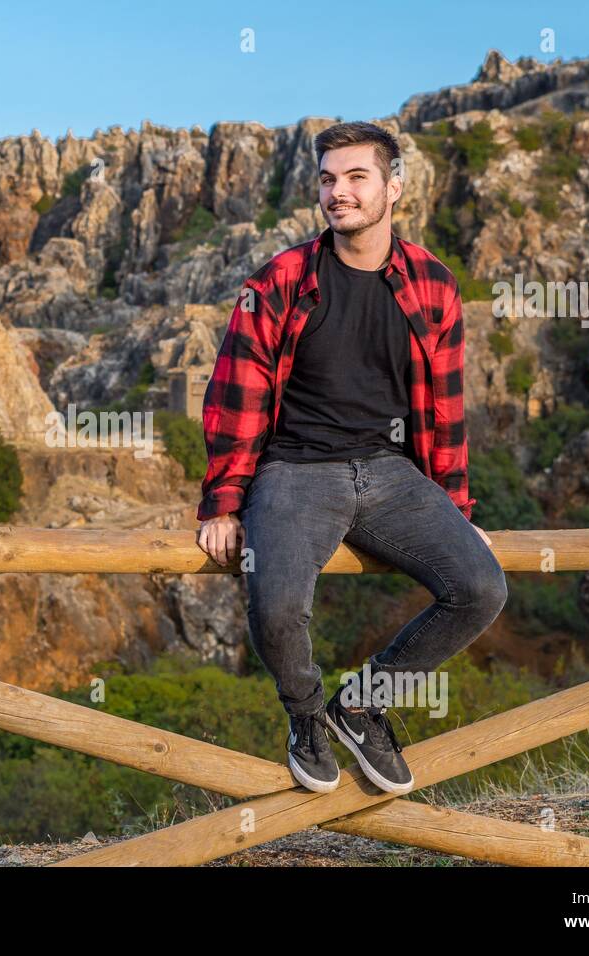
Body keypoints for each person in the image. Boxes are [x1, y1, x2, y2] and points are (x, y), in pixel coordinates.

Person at [195, 121, 507, 795]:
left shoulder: (434, 285)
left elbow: (446, 412)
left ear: (394, 187)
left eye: (356, 177)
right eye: (328, 180)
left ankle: (362, 705)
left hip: (393, 475)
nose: (339, 193)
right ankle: (307, 715)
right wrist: (224, 502)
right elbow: (235, 393)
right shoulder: (279, 280)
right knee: (277, 607)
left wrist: (456, 509)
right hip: (296, 469)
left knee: (481, 587)